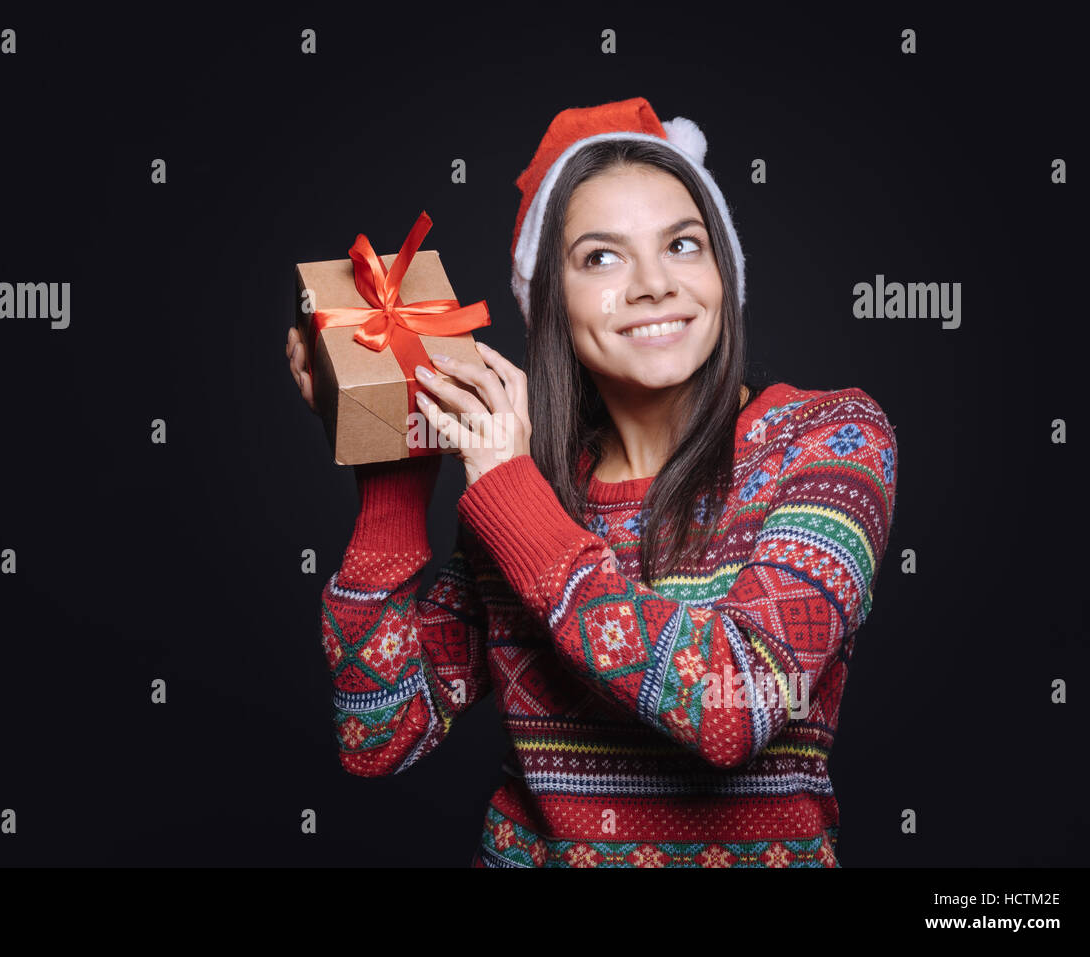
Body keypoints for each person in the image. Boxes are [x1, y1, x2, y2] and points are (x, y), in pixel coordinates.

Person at [285, 97, 898, 867]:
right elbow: (379, 734)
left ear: (723, 271)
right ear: (549, 302)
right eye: (600, 257)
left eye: (682, 244)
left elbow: (732, 706)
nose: (652, 285)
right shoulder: (526, 483)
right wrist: (393, 467)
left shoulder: (830, 439)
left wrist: (513, 496)